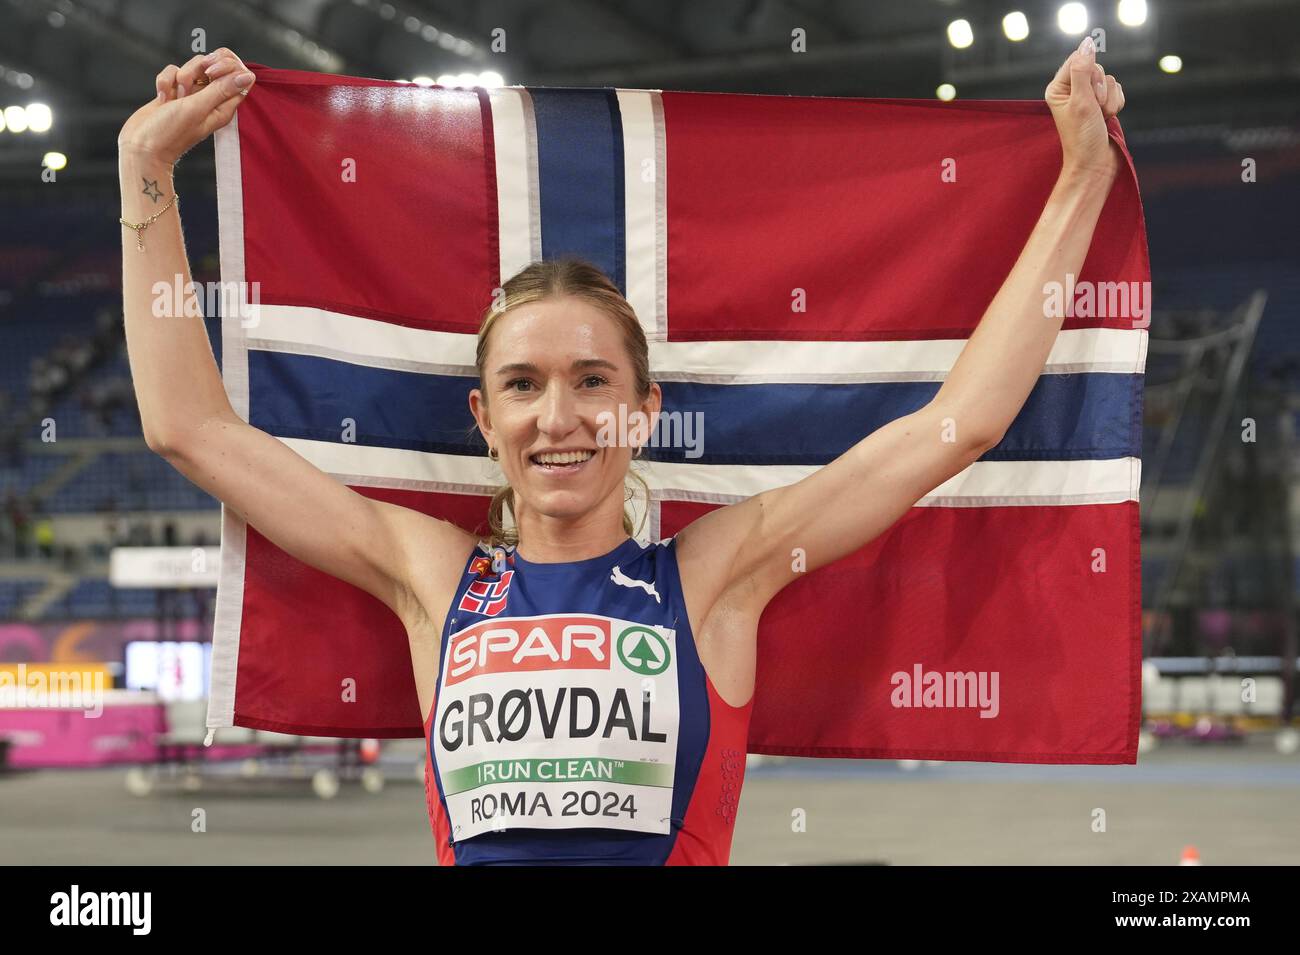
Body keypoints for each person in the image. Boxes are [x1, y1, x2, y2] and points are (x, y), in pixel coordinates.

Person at [116, 39, 1126, 865]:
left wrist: (1082, 177)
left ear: (643, 413)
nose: (557, 416)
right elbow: (188, 428)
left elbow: (961, 423)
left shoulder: (718, 575)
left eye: (592, 381)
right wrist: (145, 175)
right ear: (484, 417)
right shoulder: (431, 578)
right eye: (523, 384)